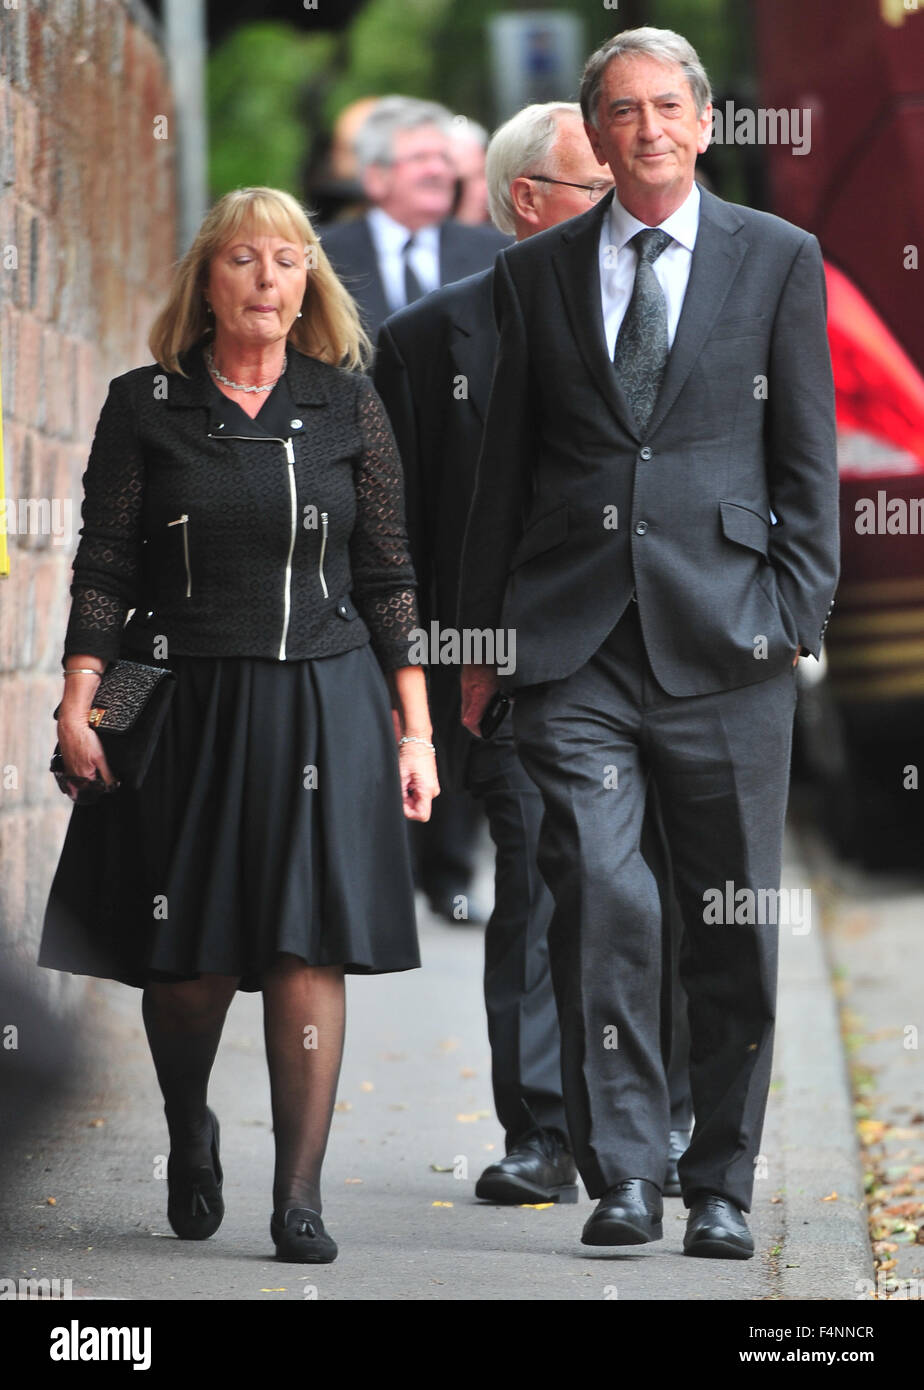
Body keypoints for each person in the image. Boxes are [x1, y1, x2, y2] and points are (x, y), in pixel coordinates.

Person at [458, 27, 838, 1259]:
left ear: (706, 121)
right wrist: (478, 642)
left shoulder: (777, 257)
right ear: (598, 131)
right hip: (574, 646)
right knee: (603, 901)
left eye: (668, 106)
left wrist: (794, 614)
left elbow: (810, 462)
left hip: (728, 640)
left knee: (727, 917)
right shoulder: (538, 275)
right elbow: (500, 471)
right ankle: (623, 1170)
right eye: (622, 111)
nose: (648, 129)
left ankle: (719, 1178)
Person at [38, 186, 439, 1265]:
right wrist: (81, 694)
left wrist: (416, 733)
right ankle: (190, 1125)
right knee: (189, 957)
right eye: (245, 260)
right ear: (206, 281)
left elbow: (391, 576)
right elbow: (106, 566)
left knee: (308, 942)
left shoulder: (346, 402)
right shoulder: (148, 402)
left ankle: (300, 1195)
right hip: (183, 696)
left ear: (312, 280)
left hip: (325, 695)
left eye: (289, 259)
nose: (269, 279)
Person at [375, 101, 693, 1205]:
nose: (631, 203)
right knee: (545, 885)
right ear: (529, 202)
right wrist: (425, 684)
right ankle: (544, 1132)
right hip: (511, 666)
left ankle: (662, 1119)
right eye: (598, 189)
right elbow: (401, 530)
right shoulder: (426, 342)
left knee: (661, 884)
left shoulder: (668, 304)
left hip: (669, 651)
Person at [318, 96, 511, 341]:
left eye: (444, 158)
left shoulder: (495, 253)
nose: (438, 170)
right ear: (376, 177)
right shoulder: (323, 256)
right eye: (420, 158)